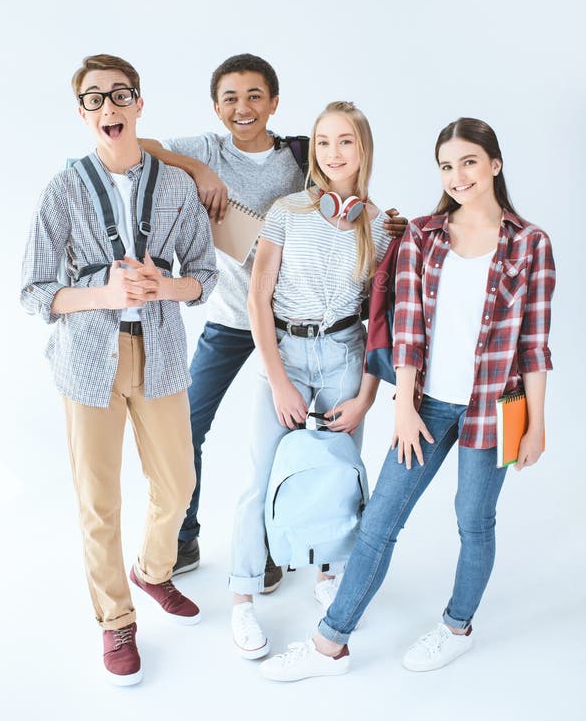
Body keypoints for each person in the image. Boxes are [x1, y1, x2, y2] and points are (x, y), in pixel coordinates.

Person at [260, 117, 555, 681]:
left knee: (474, 521)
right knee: (379, 522)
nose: (458, 175)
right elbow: (408, 326)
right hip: (427, 406)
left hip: (495, 409)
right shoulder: (423, 234)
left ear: (494, 164)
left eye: (469, 161)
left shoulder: (531, 243)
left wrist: (537, 424)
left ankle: (456, 628)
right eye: (447, 165)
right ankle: (330, 644)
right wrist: (401, 403)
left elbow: (534, 344)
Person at [140, 55, 406, 586]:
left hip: (292, 326)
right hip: (230, 317)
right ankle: (185, 534)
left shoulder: (299, 156)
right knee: (188, 422)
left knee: (289, 440)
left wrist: (386, 225)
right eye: (231, 98)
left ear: (275, 103)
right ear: (216, 107)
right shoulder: (205, 148)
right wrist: (201, 171)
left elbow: (344, 200)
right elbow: (139, 147)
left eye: (255, 96)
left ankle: (272, 545)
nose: (244, 108)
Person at [20, 54, 218, 686]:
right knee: (98, 501)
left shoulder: (177, 187)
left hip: (159, 355)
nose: (109, 107)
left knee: (178, 483)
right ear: (83, 113)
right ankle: (115, 620)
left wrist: (165, 286)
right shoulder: (63, 188)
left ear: (139, 104)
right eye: (95, 99)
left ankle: (153, 571)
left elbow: (205, 279)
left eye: (120, 95)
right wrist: (101, 294)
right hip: (87, 361)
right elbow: (33, 292)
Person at [229, 100, 392, 659]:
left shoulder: (380, 227)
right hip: (288, 353)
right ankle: (243, 596)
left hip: (346, 356)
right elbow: (257, 296)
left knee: (338, 476)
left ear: (363, 148)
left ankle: (329, 576)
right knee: (261, 476)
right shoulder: (287, 211)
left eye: (345, 141)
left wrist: (367, 397)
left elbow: (382, 323)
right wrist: (278, 381)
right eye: (323, 142)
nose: (332, 153)